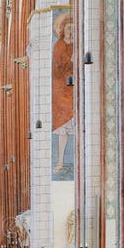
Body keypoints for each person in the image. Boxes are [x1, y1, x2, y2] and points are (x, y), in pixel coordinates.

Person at [52, 14, 74, 175]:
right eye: (68, 27)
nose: (70, 30)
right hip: (62, 90)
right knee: (63, 128)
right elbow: (57, 69)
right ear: (62, 29)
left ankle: (79, 159)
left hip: (75, 88)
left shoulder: (77, 45)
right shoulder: (59, 46)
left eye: (73, 27)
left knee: (77, 125)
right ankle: (60, 160)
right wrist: (70, 61)